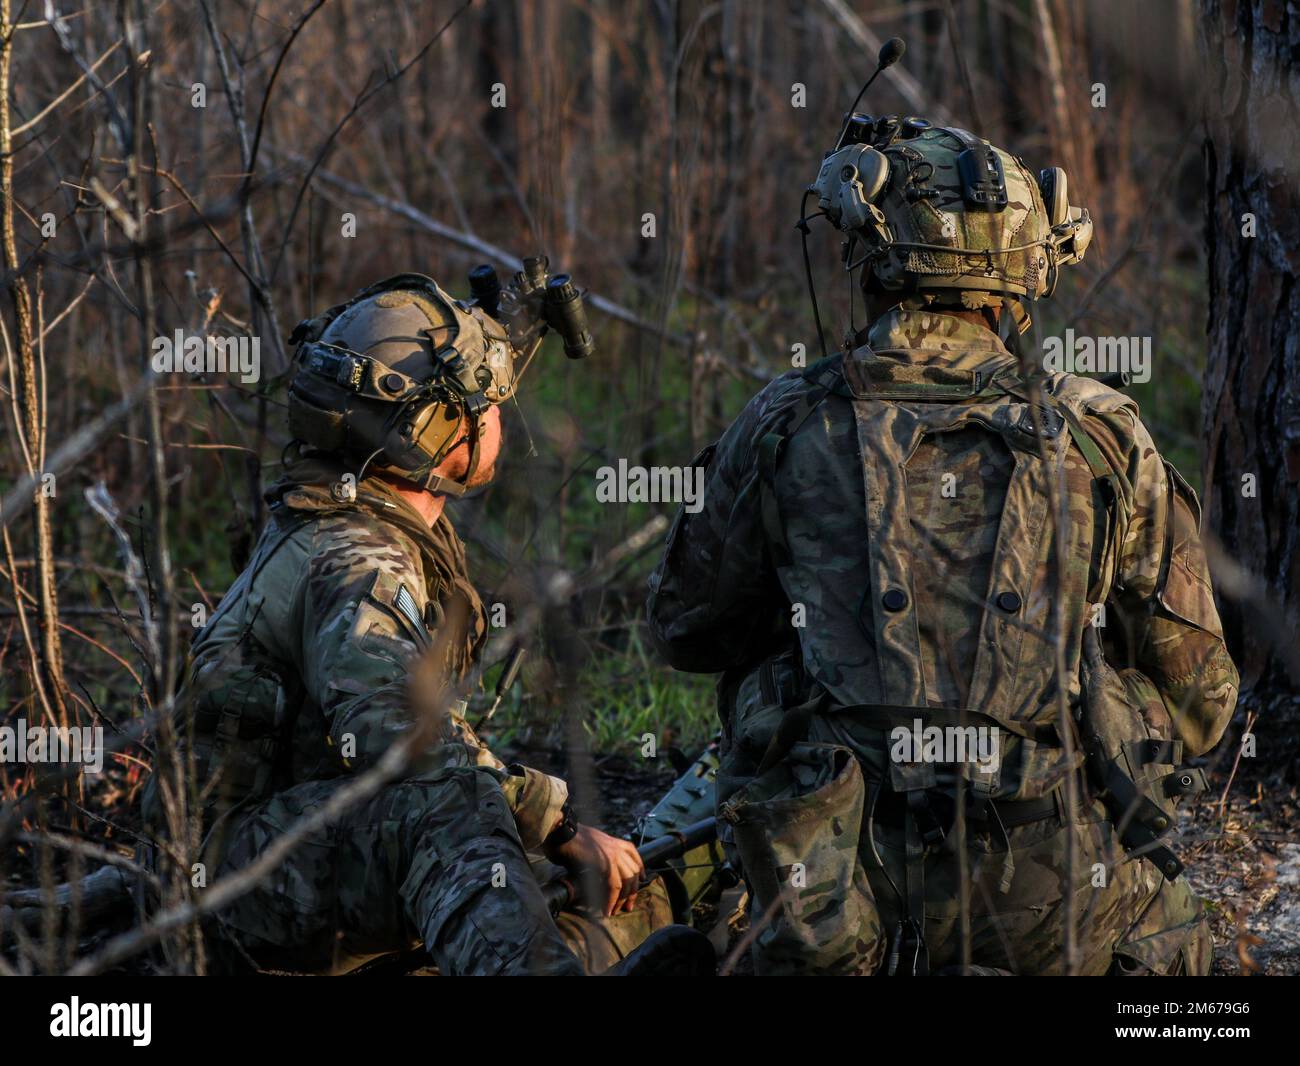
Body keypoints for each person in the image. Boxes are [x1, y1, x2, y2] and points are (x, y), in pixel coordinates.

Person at [646, 121, 1239, 975]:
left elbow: (687, 633)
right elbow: (1204, 703)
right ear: (1026, 272)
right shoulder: (1101, 434)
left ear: (871, 259)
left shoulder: (784, 423)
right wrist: (1086, 707)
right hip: (1061, 900)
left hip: (832, 893)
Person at [142, 271, 687, 975]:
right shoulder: (355, 555)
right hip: (225, 896)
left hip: (243, 857)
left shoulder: (347, 510)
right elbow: (394, 728)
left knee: (487, 827)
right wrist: (555, 821)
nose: (498, 418)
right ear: (431, 434)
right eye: (486, 406)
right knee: (452, 804)